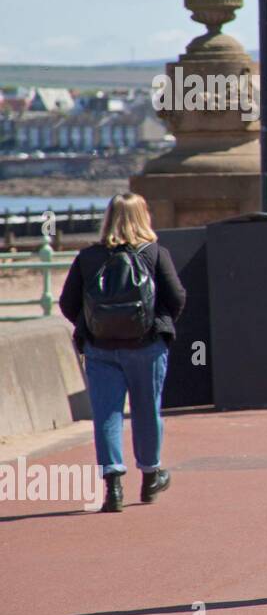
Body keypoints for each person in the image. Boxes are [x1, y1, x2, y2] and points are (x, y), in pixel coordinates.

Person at [58, 192, 185, 512]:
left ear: (109, 218)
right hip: (147, 347)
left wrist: (95, 327)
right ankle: (150, 476)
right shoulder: (155, 254)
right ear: (144, 216)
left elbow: (67, 304)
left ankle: (113, 486)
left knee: (107, 415)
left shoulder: (88, 257)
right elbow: (177, 297)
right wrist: (155, 325)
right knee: (147, 411)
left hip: (100, 350)